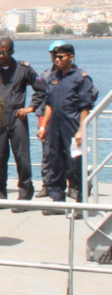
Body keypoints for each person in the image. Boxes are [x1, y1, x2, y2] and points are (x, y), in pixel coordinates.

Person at [0, 38, 45, 210]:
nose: (1, 56)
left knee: (22, 157)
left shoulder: (24, 69)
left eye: (5, 53)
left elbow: (41, 89)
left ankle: (24, 196)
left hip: (18, 118)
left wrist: (31, 108)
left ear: (12, 52)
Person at [38, 44, 98, 209]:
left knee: (75, 165)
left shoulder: (81, 78)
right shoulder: (53, 77)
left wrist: (81, 130)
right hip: (54, 128)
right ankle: (57, 202)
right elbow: (48, 104)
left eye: (61, 57)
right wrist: (43, 126)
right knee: (55, 163)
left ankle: (81, 203)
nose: (57, 60)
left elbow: (85, 107)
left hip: (72, 127)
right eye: (56, 57)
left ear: (71, 57)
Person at [30, 40, 64, 199]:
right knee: (48, 154)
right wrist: (41, 123)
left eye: (60, 55)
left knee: (71, 154)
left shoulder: (77, 74)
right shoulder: (45, 75)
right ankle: (47, 184)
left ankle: (73, 185)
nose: (57, 58)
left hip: (67, 120)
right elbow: (40, 97)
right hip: (47, 120)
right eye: (54, 54)